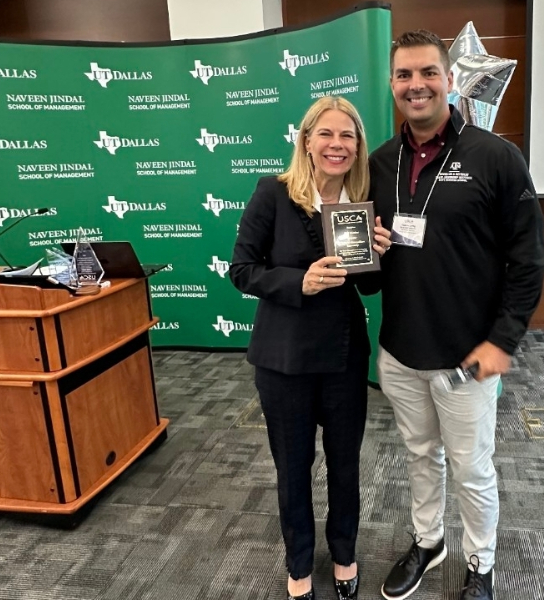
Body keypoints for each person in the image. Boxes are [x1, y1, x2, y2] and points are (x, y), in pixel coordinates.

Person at [369, 30, 544, 600]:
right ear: (392, 84)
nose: (416, 85)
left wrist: (504, 340)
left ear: (450, 80)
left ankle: (480, 563)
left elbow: (529, 258)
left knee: (472, 469)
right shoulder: (380, 163)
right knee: (420, 456)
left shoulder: (496, 158)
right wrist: (368, 254)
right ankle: (428, 542)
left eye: (428, 72)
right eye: (404, 75)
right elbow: (374, 274)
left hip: (467, 356)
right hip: (400, 351)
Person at [230, 95, 391, 600]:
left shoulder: (362, 204)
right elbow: (242, 270)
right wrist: (298, 282)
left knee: (345, 465)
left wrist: (378, 256)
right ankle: (299, 563)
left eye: (347, 135)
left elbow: (368, 288)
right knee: (293, 469)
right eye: (326, 133)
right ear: (306, 141)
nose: (336, 144)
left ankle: (344, 553)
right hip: (284, 359)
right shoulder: (273, 194)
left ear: (357, 146)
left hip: (343, 358)